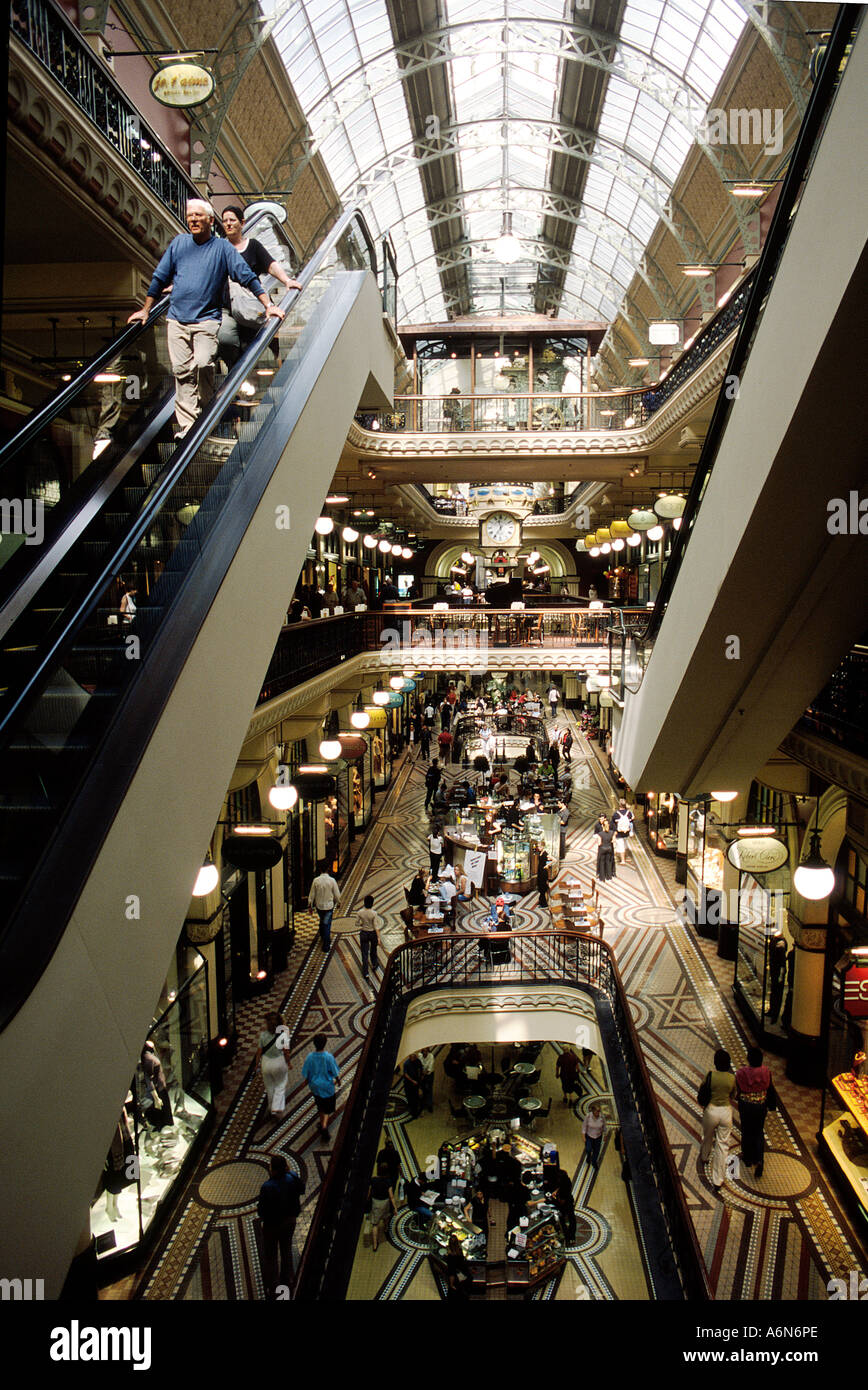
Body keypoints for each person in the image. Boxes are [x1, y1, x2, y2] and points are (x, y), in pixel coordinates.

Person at [127, 199, 284, 439]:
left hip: (207, 320)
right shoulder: (179, 244)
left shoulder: (222, 248)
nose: (193, 219)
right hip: (177, 319)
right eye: (190, 216)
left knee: (202, 364)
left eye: (198, 215)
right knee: (182, 371)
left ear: (211, 221)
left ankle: (208, 411)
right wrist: (146, 309)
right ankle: (189, 427)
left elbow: (246, 276)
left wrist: (268, 305)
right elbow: (160, 276)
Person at [217, 204, 301, 366]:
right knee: (227, 340)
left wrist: (287, 281)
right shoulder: (218, 248)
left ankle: (274, 368)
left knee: (255, 345)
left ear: (242, 223)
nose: (227, 223)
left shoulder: (253, 245)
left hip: (250, 306)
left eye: (232, 220)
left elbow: (270, 265)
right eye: (224, 220)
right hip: (227, 307)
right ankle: (235, 378)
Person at [257, 1154, 305, 1298]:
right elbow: (302, 1189)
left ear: (272, 1169)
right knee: (286, 1249)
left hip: (272, 1226)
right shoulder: (292, 1176)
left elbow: (262, 1211)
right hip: (289, 1221)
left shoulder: (267, 1187)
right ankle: (287, 1280)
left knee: (271, 1255)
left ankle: (274, 1288)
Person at [735, 1046, 777, 1178]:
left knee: (746, 1131)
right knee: (758, 1132)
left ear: (749, 1059)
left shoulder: (741, 1073)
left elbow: (739, 1090)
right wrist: (771, 1105)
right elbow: (770, 1089)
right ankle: (759, 1160)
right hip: (760, 1106)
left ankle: (747, 1158)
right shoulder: (766, 1072)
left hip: (746, 1106)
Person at [699, 1048, 737, 1191]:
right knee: (722, 1146)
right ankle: (718, 1180)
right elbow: (733, 1095)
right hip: (726, 1113)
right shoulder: (732, 1078)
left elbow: (702, 1089)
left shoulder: (710, 1075)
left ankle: (704, 1156)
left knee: (708, 1136)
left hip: (711, 1110)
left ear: (715, 1063)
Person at [301, 1034, 340, 1139]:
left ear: (314, 1044)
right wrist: (338, 1080)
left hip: (315, 1087)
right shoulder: (328, 1057)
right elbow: (334, 1071)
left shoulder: (310, 1057)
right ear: (325, 1043)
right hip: (327, 1087)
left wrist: (305, 1082)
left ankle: (322, 1121)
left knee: (320, 1105)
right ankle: (324, 1126)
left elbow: (306, 1072)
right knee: (327, 1108)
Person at [256, 1011, 290, 1127]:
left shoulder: (263, 1035)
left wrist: (256, 1065)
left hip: (266, 1063)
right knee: (280, 1086)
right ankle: (278, 1111)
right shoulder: (283, 1035)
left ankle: (271, 1108)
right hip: (278, 1062)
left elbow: (259, 1052)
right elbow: (286, 1052)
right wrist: (289, 1063)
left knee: (269, 1087)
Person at [308, 861, 342, 952]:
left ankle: (323, 935)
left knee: (323, 921)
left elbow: (312, 894)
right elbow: (337, 894)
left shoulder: (316, 881)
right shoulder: (332, 881)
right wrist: (339, 902)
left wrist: (310, 905)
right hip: (328, 907)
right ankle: (326, 945)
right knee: (327, 924)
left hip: (319, 907)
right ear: (328, 869)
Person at [368, 1160, 398, 1251]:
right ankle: (385, 1228)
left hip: (376, 1202)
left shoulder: (373, 1180)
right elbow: (391, 1196)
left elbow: (369, 1192)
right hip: (385, 1202)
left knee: (375, 1224)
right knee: (386, 1217)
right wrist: (395, 1208)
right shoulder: (388, 1181)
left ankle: (374, 1244)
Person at [357, 893, 382, 982]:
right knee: (373, 950)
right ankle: (374, 964)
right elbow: (376, 926)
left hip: (363, 933)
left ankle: (365, 972)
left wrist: (362, 924)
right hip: (372, 934)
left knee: (364, 953)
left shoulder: (359, 912)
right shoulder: (374, 913)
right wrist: (378, 937)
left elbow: (357, 923)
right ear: (372, 903)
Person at [445, 1233, 473, 1300]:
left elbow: (451, 1270)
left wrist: (451, 1284)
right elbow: (462, 1262)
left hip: (456, 1277)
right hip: (461, 1275)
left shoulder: (450, 1255)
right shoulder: (459, 1251)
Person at [553, 1170, 576, 1244]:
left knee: (562, 1219)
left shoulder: (564, 1189)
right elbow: (560, 1187)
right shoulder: (567, 1180)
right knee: (572, 1218)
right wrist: (556, 1191)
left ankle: (568, 1236)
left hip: (566, 1204)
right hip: (569, 1201)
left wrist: (555, 1198)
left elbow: (562, 1201)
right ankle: (571, 1236)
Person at [582, 1102, 605, 1170]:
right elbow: (584, 1126)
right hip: (589, 1136)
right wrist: (583, 1136)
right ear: (593, 1111)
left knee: (596, 1150)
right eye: (597, 1111)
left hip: (598, 1137)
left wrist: (605, 1134)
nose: (598, 1112)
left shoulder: (602, 1117)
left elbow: (604, 1126)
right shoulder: (588, 1116)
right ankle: (588, 1156)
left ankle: (594, 1161)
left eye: (599, 1111)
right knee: (588, 1149)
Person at [402, 1052, 424, 1119]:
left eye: (414, 1057)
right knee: (410, 1097)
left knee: (415, 1097)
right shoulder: (406, 1063)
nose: (413, 1058)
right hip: (408, 1083)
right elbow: (405, 1074)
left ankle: (414, 1112)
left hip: (416, 1082)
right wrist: (412, 1081)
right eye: (412, 1057)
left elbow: (420, 1069)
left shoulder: (417, 1061)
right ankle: (412, 1109)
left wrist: (420, 1077)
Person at [595, 816, 616, 883]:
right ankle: (609, 877)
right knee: (609, 862)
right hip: (609, 849)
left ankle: (602, 878)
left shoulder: (600, 834)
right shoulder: (612, 832)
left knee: (602, 862)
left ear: (603, 826)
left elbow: (599, 843)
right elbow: (613, 841)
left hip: (602, 849)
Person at [613, 799, 634, 865]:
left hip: (619, 833)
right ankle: (625, 856)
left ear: (619, 805)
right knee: (625, 844)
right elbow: (631, 821)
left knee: (620, 845)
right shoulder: (629, 812)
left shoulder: (616, 813)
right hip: (626, 832)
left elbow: (613, 823)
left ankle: (623, 860)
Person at [419, 1046, 435, 1113]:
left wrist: (423, 1075)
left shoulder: (431, 1057)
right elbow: (419, 1065)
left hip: (429, 1075)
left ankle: (429, 1105)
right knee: (423, 1088)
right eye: (423, 1051)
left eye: (426, 1051)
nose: (424, 1053)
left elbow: (429, 1069)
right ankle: (423, 1103)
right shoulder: (420, 1056)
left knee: (429, 1089)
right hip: (422, 1074)